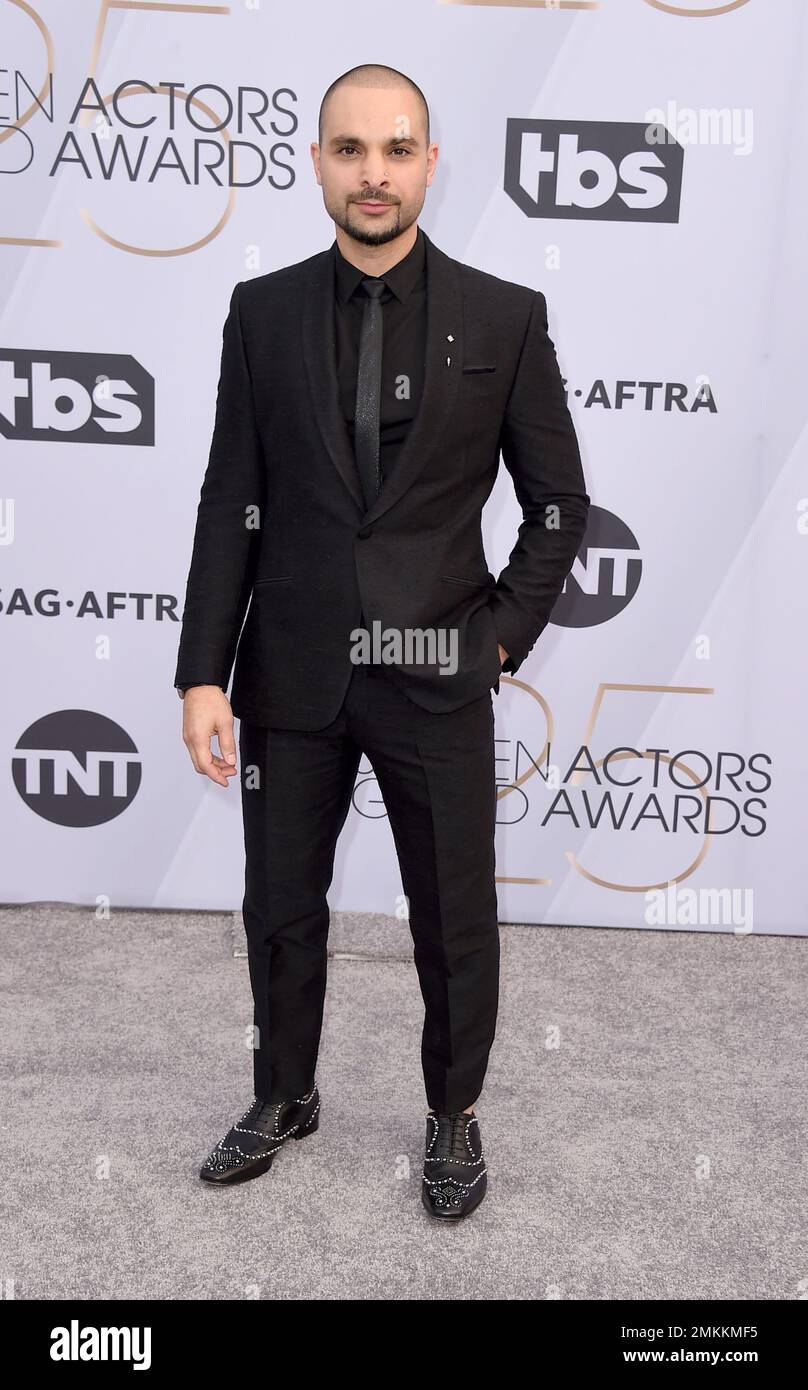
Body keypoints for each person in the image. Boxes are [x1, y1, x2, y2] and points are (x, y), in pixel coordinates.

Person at [174, 63, 590, 1221]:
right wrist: (203, 670)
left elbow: (558, 504)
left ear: (428, 166)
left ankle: (452, 1112)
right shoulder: (261, 312)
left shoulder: (504, 316)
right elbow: (229, 499)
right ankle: (283, 1092)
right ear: (317, 163)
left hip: (436, 673)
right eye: (350, 150)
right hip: (291, 671)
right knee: (280, 905)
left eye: (396, 150)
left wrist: (498, 640)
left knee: (453, 915)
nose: (373, 173)